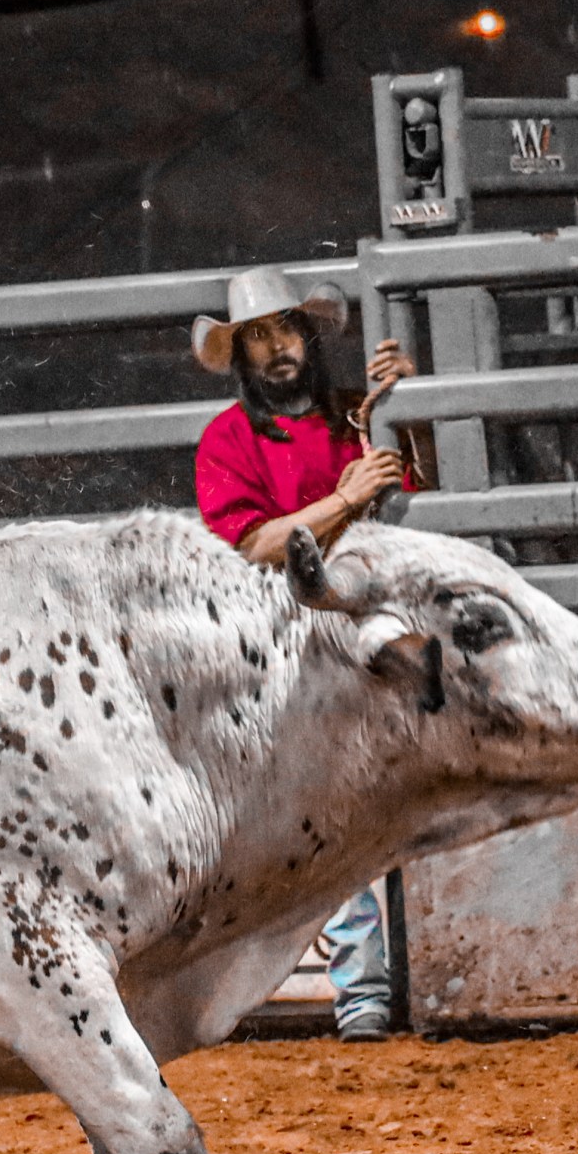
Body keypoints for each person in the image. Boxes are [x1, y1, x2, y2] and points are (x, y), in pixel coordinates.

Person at [192, 266, 426, 1041]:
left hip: (385, 616)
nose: (276, 348)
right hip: (294, 641)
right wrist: (346, 499)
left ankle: (382, 985)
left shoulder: (358, 418)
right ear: (241, 356)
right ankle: (362, 989)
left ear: (309, 336)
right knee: (339, 805)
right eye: (258, 338)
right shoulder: (228, 439)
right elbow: (253, 546)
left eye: (286, 330)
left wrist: (412, 408)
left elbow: (425, 480)